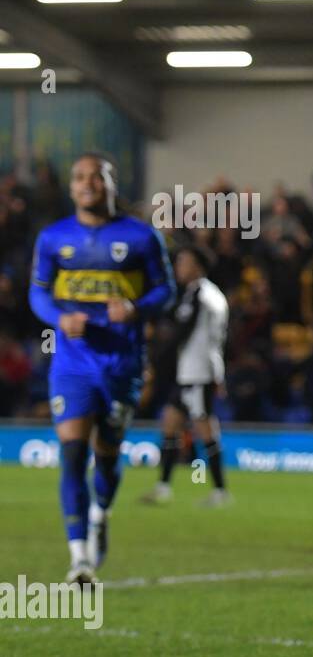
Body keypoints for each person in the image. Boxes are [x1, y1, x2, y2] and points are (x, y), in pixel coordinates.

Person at [27, 152, 176, 583]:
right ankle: (80, 559)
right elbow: (37, 294)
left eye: (97, 177)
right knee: (72, 453)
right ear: (71, 187)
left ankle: (101, 512)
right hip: (73, 363)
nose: (88, 183)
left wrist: (135, 308)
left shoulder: (142, 238)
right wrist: (59, 318)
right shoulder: (53, 238)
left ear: (112, 184)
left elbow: (165, 291)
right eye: (79, 177)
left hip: (122, 362)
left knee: (106, 456)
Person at [140, 246, 232, 508]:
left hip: (198, 373)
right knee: (170, 423)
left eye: (183, 263)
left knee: (205, 429)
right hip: (193, 372)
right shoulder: (210, 294)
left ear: (197, 267)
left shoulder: (200, 296)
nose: (178, 268)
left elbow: (181, 334)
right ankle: (163, 487)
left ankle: (220, 491)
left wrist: (154, 361)